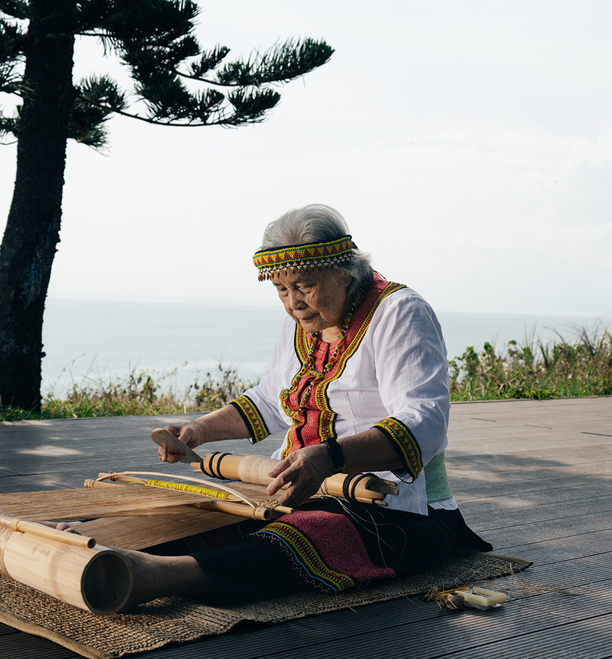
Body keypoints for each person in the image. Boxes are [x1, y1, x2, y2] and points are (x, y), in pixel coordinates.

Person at [117, 205, 490, 607]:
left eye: (305, 285)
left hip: (400, 508)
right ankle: (109, 547)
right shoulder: (304, 321)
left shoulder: (399, 312)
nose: (293, 302)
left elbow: (425, 423)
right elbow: (272, 400)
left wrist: (329, 457)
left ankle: (152, 577)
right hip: (306, 489)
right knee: (205, 516)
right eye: (281, 289)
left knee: (299, 537)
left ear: (345, 272)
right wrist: (201, 430)